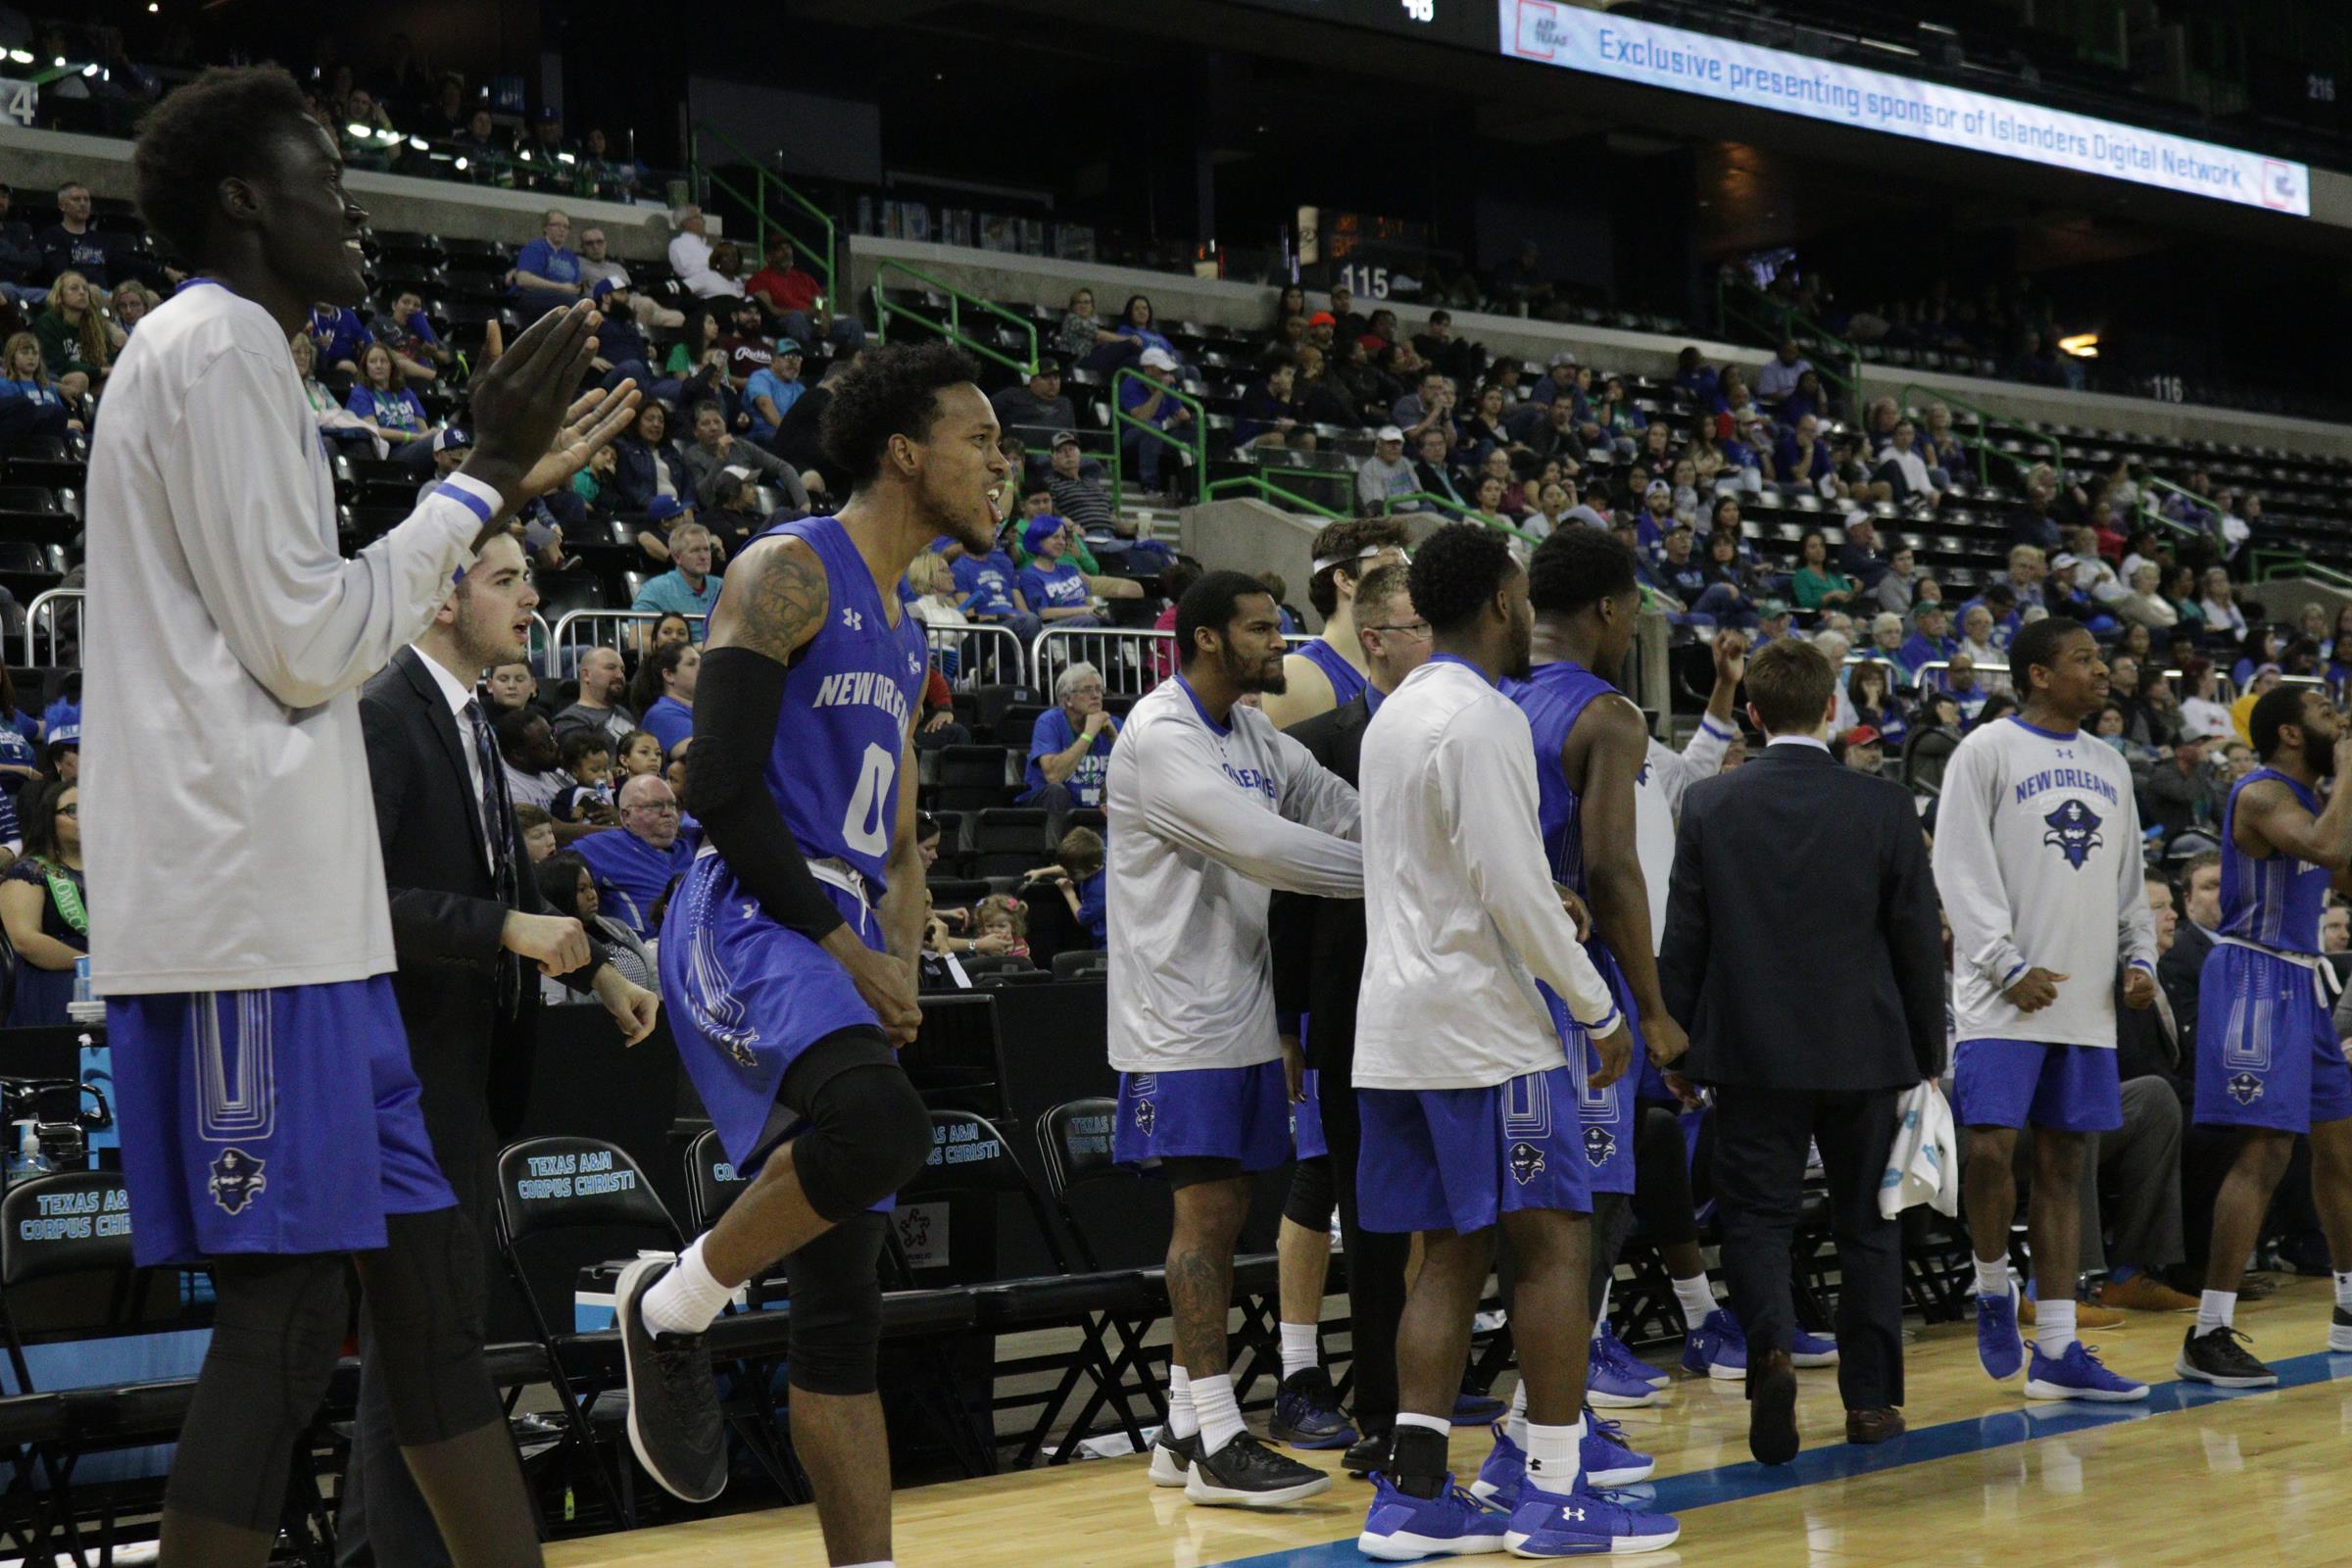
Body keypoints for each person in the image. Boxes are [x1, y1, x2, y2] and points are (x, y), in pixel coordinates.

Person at [83, 63, 635, 1567]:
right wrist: (472, 480)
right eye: (322, 178)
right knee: (288, 1315)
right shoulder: (221, 347)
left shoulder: (224, 354)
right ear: (246, 200)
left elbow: (304, 628)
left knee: (426, 1311)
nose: (351, 206)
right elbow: (309, 643)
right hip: (244, 927)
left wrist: (489, 484)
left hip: (308, 930)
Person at [605, 345, 1013, 1568]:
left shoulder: (903, 626)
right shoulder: (789, 570)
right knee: (883, 1130)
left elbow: (895, 839)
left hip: (836, 940)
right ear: (904, 450)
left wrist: (898, 953)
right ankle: (670, 1306)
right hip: (745, 914)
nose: (1003, 462)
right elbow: (717, 786)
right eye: (980, 438)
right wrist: (843, 943)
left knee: (845, 1311)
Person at [1350, 524, 1677, 1559]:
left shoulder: (1395, 715)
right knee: (1551, 1245)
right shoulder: (1481, 717)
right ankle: (1552, 1488)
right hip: (1490, 1030)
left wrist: (1544, 908)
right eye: (1520, 598)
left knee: (1446, 1253)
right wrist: (1599, 1007)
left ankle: (1410, 1492)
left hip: (1395, 1026)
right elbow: (1508, 884)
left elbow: (1457, 875)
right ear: (1498, 603)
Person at [344, 532, 659, 1564]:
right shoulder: (385, 713)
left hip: (467, 1073)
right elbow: (357, 902)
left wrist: (597, 970)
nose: (532, 599)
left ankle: (378, 1550)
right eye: (508, 579)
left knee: (429, 1344)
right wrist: (503, 933)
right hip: (398, 1072)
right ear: (441, 600)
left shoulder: (471, 715)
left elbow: (503, 878)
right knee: (425, 1343)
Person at [1109, 570, 1362, 1509]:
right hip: (1175, 1019)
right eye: (1261, 629)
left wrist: (1438, 858)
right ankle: (1219, 1436)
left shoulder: (1256, 735)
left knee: (1227, 1212)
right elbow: (1268, 849)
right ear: (1207, 638)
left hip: (1240, 1010)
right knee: (1206, 1216)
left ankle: (1181, 1426)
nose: (1280, 645)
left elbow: (1342, 813)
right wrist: (1406, 883)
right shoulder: (1161, 733)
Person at [1660, 638, 1942, 1463]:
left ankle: (1772, 1354)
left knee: (1757, 1221)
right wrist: (1927, 1045)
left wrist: (1674, 1041)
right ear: (1831, 710)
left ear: (1751, 712)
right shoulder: (1884, 807)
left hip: (1751, 1050)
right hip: (1866, 1047)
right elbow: (1916, 942)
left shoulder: (1711, 806)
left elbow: (1687, 938)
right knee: (1868, 1225)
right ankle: (1871, 1403)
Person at [1493, 526, 1694, 1485]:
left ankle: (1527, 1426)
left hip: (1481, 982)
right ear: (1612, 611)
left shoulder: (1487, 693)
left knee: (1503, 1227)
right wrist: (1651, 1007)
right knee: (1590, 1213)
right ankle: (1541, 1432)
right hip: (1571, 994)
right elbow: (1613, 873)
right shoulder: (1608, 713)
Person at [1935, 615, 2160, 1404]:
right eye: (2084, 659)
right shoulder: (1986, 750)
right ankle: (1994, 1283)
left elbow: (2130, 880)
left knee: (2068, 1166)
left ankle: (2060, 1347)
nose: (2103, 671)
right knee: (1992, 1150)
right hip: (2003, 997)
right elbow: (1956, 867)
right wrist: (2006, 964)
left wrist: (2140, 960)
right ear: (2036, 673)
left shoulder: (2111, 764)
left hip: (2086, 999)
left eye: (2103, 658)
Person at [1265, 563, 1429, 1469]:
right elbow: (1289, 894)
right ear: (1375, 636)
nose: (1434, 639)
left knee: (1444, 1213)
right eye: (1416, 625)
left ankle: (1428, 1389)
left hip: (1444, 1008)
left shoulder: (1462, 726)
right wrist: (1288, 1021)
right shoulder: (1322, 741)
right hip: (1349, 1008)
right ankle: (1379, 1410)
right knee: (1367, 1215)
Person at [2178, 685, 2352, 1387]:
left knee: (2340, 1146)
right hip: (2254, 977)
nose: (2335, 718)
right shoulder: (2260, 793)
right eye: (2322, 713)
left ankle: (2347, 1308)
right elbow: (2325, 846)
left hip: (2303, 980)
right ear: (2287, 732)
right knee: (2266, 1150)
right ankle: (2208, 1332)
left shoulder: (2315, 801)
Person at [1261, 516, 1411, 729]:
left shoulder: (1403, 665)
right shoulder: (1300, 677)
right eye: (1388, 570)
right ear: (1345, 581)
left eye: (1404, 571)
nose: (1402, 584)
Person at [573, 772, 696, 938]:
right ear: (626, 816)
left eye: (672, 805)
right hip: (643, 954)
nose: (668, 813)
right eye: (654, 806)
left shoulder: (692, 849)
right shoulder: (598, 848)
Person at [0, 779, 77, 1027]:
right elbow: (26, 941)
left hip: (116, 982)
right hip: (54, 983)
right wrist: (93, 964)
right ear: (49, 820)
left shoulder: (118, 872)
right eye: (73, 810)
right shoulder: (29, 871)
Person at [537, 851, 659, 996]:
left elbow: (653, 977)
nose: (591, 895)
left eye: (591, 887)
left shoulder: (619, 928)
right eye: (582, 890)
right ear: (562, 893)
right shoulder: (552, 945)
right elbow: (556, 1004)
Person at [1020, 662, 1116, 824]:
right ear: (1068, 699)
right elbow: (1053, 776)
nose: (1096, 695)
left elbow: (1138, 773)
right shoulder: (1049, 722)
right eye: (1087, 690)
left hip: (1099, 811)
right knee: (1057, 792)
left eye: (1099, 689)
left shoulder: (1112, 723)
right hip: (1053, 812)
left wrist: (1114, 737)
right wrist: (1088, 735)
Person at [631, 519, 724, 633]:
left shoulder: (723, 587)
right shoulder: (655, 590)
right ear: (677, 558)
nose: (704, 556)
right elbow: (637, 640)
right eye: (695, 550)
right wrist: (692, 649)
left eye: (706, 549)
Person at [630, 642, 700, 767]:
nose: (702, 668)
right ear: (668, 675)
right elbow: (700, 753)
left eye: (701, 662)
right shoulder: (662, 714)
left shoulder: (700, 710)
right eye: (691, 663)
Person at [552, 645, 638, 746]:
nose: (620, 675)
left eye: (622, 670)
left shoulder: (625, 714)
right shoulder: (569, 720)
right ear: (586, 675)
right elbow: (586, 760)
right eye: (610, 668)